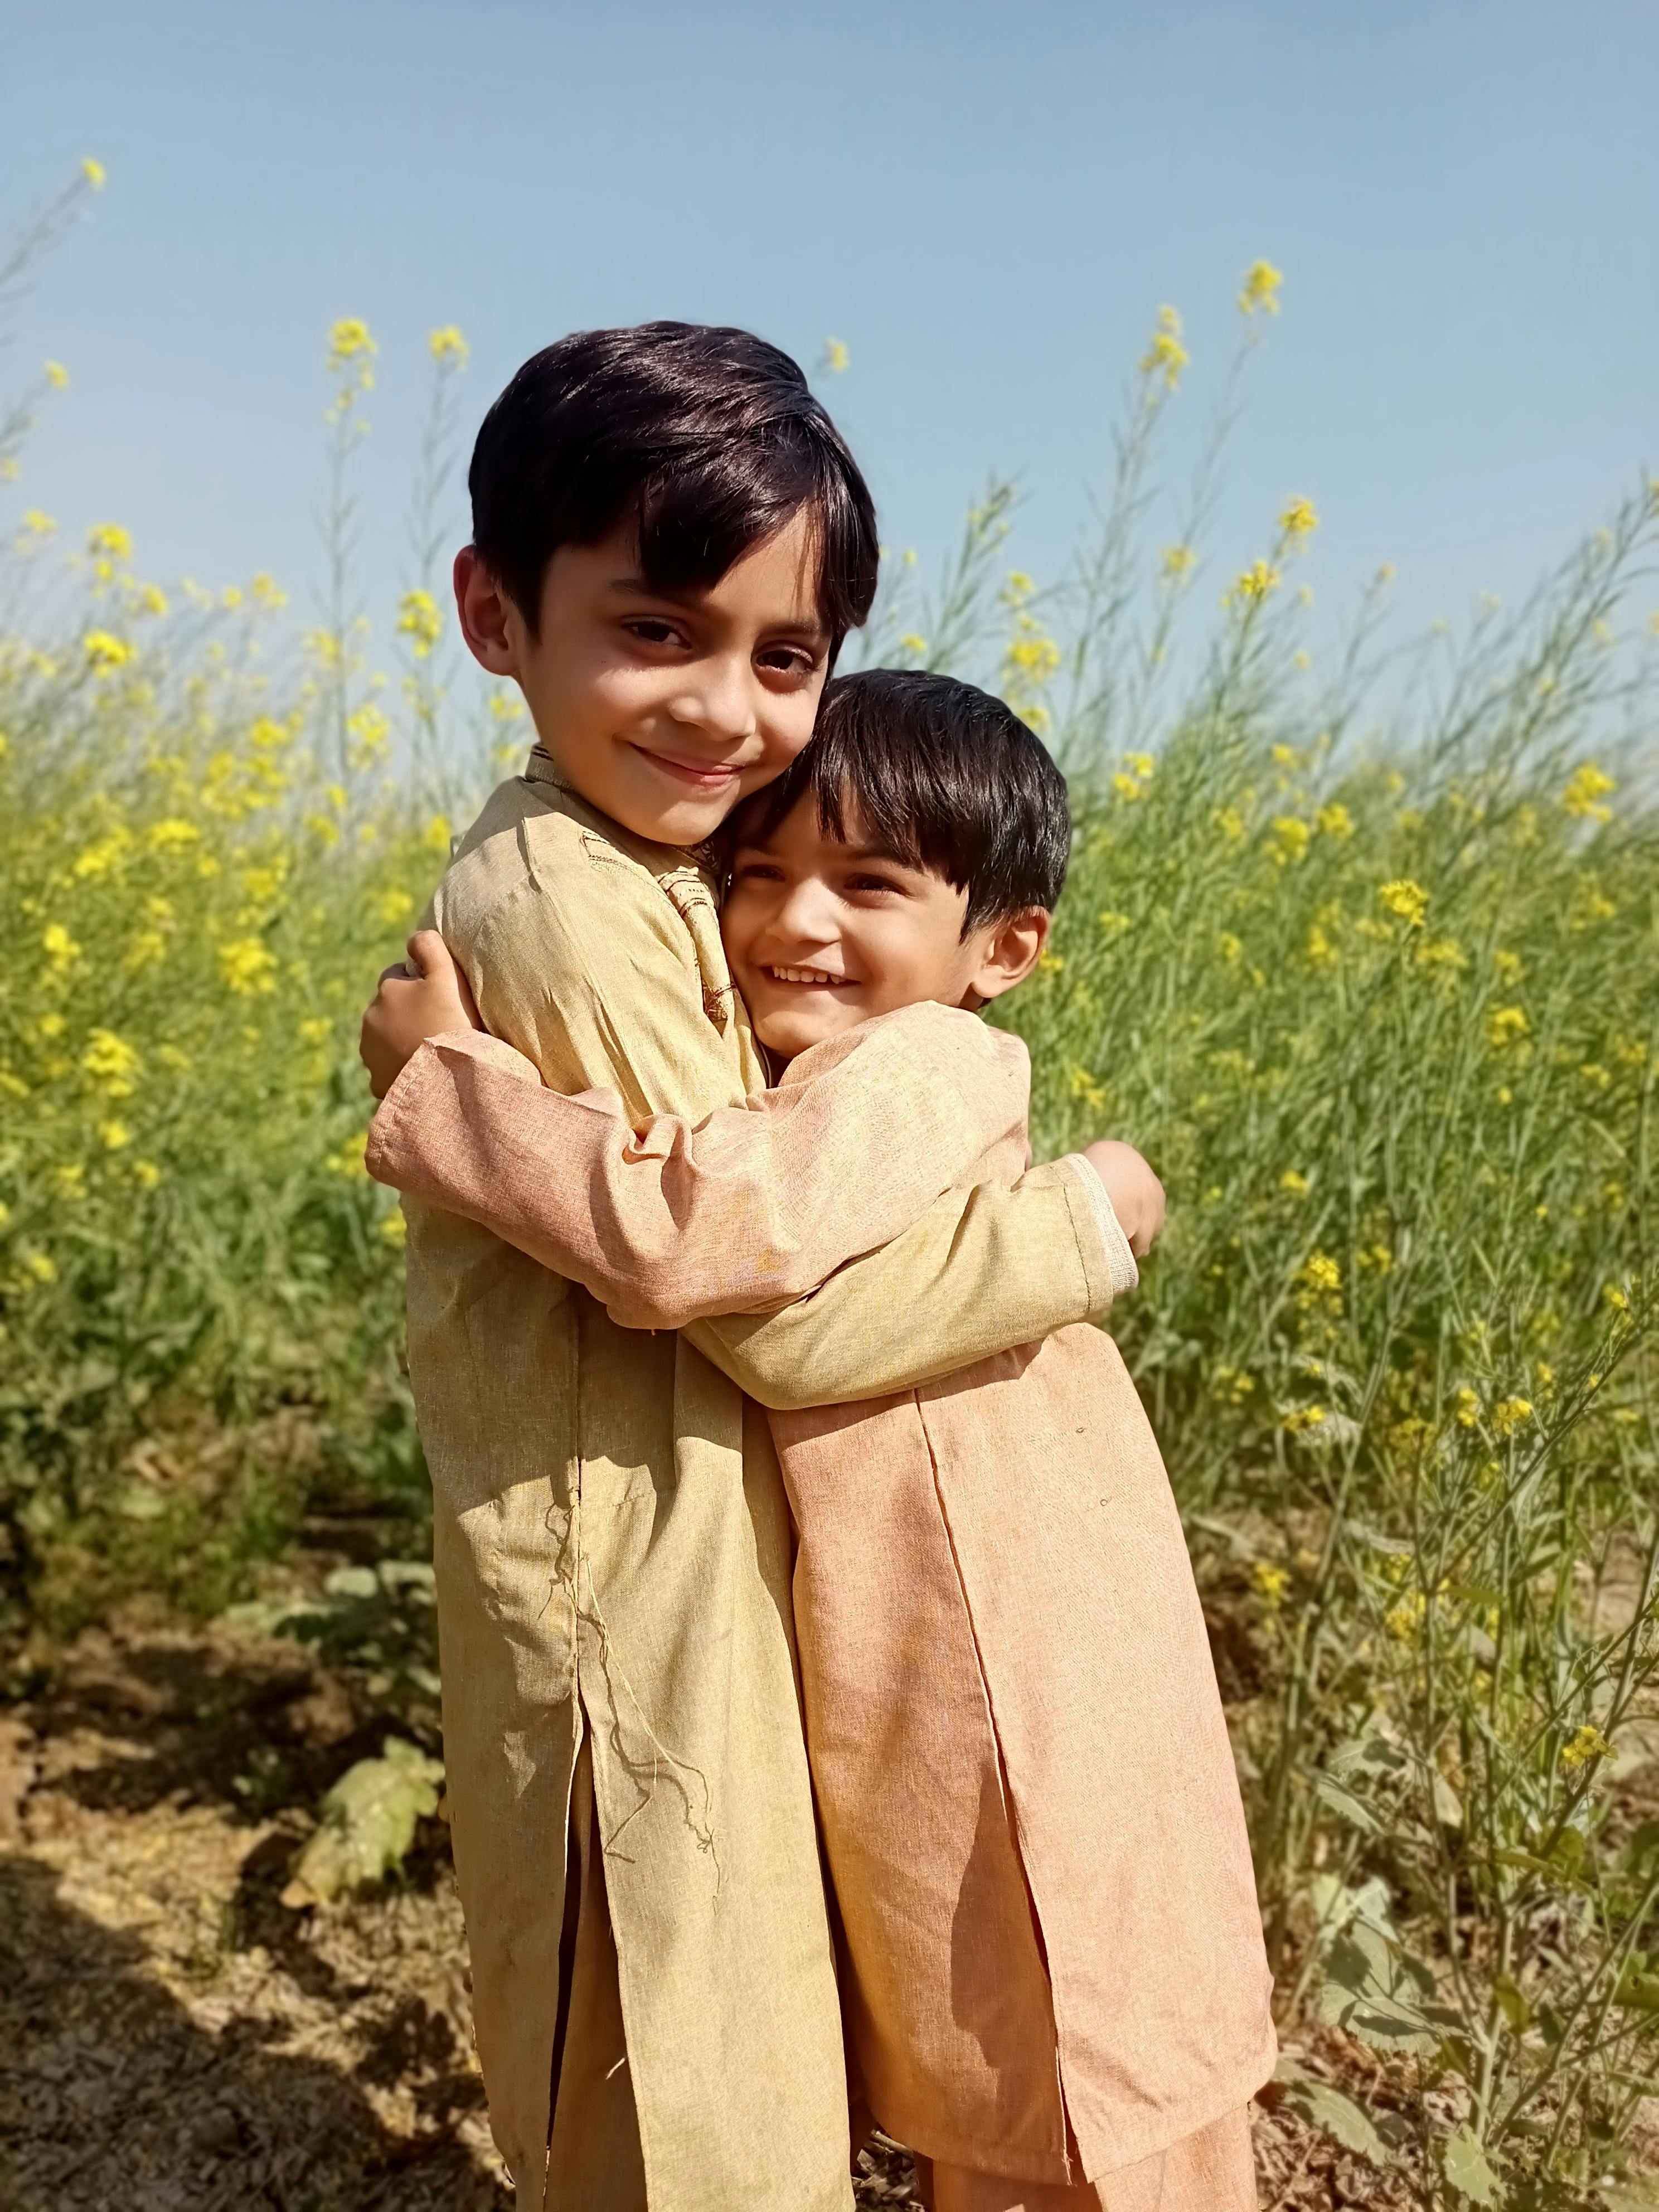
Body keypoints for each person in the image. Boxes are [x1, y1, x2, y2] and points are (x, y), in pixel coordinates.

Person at [375, 324, 1151, 2212]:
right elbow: (762, 1290)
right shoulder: (568, 911)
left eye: (783, 657)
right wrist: (1080, 1222)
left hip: (689, 1547)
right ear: (497, 614)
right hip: (633, 1574)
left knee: (739, 2064)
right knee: (687, 2095)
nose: (725, 713)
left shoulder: (665, 863)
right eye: (657, 630)